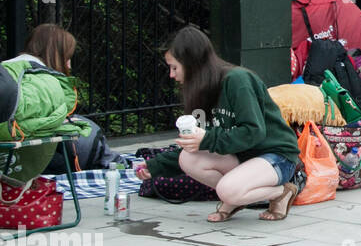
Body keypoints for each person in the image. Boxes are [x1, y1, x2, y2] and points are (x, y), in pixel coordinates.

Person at [135, 25, 302, 223]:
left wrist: (206, 138)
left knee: (226, 190)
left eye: (174, 67)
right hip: (243, 155)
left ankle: (280, 192)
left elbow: (254, 132)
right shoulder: (200, 90)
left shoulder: (237, 80)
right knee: (188, 158)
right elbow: (196, 143)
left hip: (276, 155)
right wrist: (155, 165)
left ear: (192, 63)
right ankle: (236, 195)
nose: (171, 75)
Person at [8, 24, 127, 172]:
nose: (69, 65)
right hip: (23, 149)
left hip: (14, 144)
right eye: (67, 58)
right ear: (54, 54)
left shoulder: (10, 68)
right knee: (85, 131)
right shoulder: (44, 80)